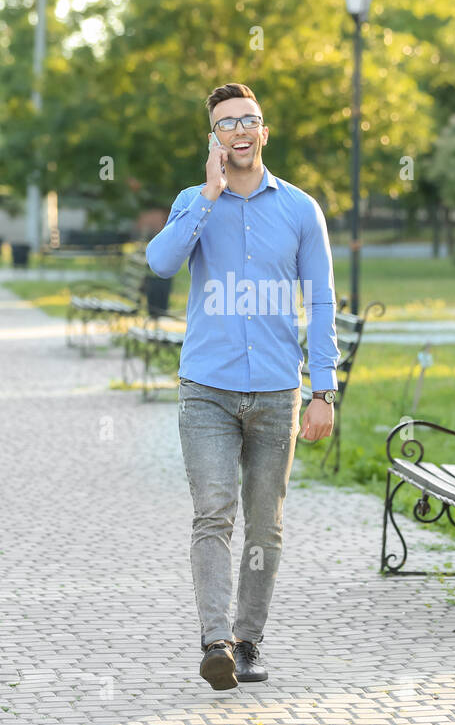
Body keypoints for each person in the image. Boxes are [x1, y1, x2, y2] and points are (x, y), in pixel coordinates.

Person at [145, 82, 340, 691]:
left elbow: (324, 302)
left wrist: (323, 389)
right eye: (227, 123)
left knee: (265, 524)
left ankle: (250, 637)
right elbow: (161, 262)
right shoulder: (193, 201)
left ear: (264, 130)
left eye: (249, 120)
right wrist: (208, 194)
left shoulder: (302, 209)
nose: (240, 131)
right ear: (214, 138)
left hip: (279, 394)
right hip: (206, 388)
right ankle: (216, 642)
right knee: (212, 514)